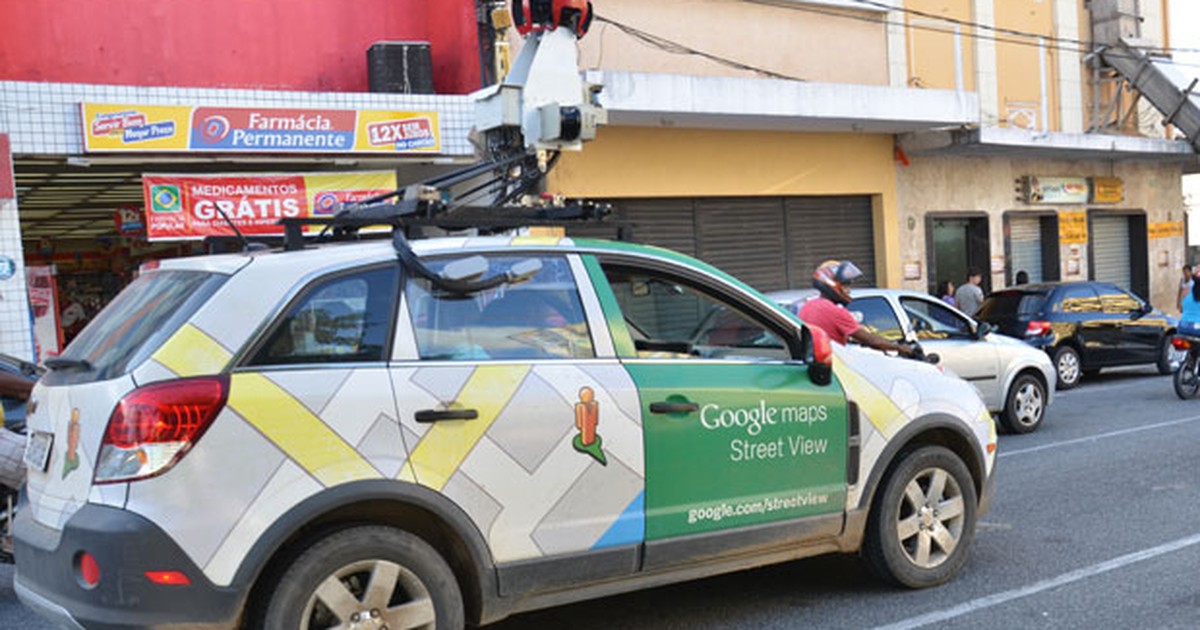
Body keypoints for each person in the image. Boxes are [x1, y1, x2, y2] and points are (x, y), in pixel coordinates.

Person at [798, 260, 915, 356]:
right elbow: (870, 340)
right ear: (831, 284)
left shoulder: (808, 306)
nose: (848, 291)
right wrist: (902, 348)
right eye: (845, 286)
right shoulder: (835, 312)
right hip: (833, 368)